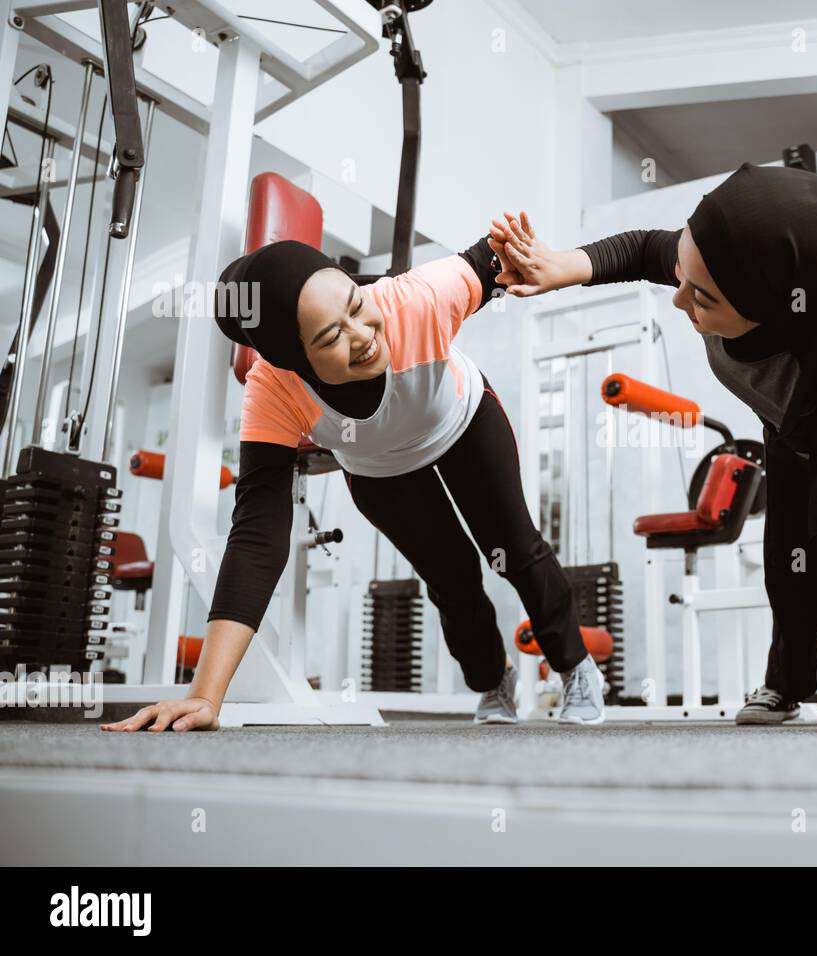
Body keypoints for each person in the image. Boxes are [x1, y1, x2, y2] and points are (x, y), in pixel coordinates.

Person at [488, 163, 817, 734]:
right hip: (793, 437)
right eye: (683, 276)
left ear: (772, 310)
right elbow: (643, 248)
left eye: (700, 296)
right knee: (786, 564)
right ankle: (786, 684)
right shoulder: (727, 268)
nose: (679, 300)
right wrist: (562, 268)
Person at [101, 236, 606, 732]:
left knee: (513, 548)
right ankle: (494, 680)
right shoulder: (273, 389)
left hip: (460, 419)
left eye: (355, 305)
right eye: (329, 338)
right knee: (452, 580)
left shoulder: (415, 299)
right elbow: (258, 531)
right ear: (292, 357)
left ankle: (575, 668)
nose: (362, 334)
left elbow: (492, 257)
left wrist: (520, 246)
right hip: (377, 466)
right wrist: (205, 696)